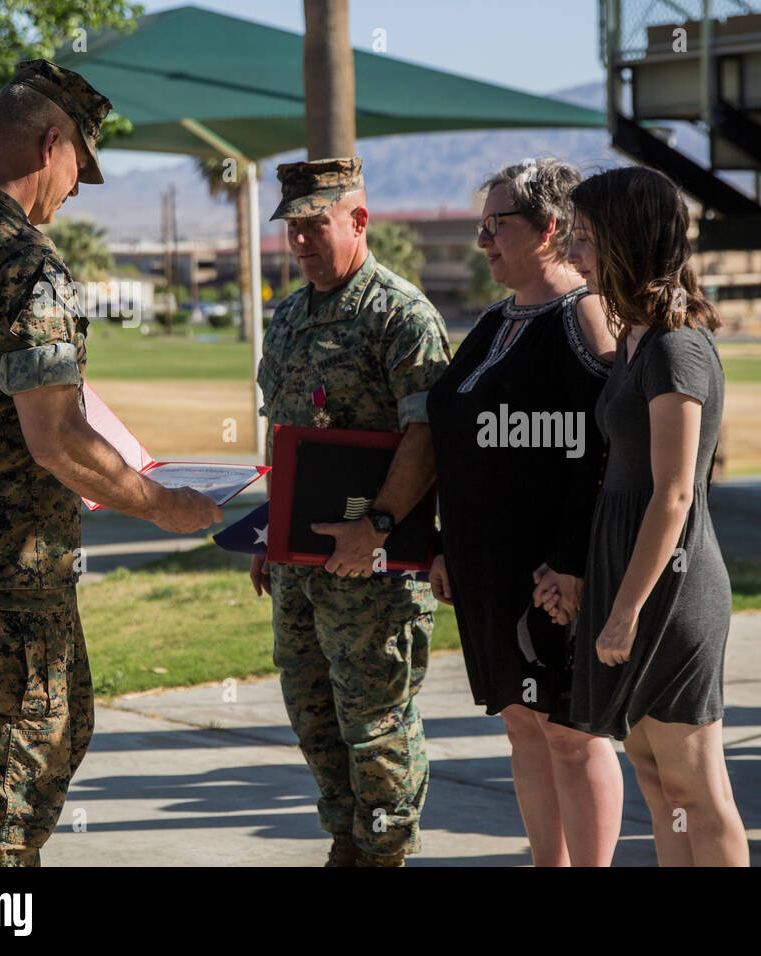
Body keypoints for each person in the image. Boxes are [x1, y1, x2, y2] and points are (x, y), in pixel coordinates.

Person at [0, 59, 222, 866]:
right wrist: (161, 505)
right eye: (81, 166)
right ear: (50, 143)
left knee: (49, 735)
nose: (77, 189)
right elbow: (58, 438)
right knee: (15, 776)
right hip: (13, 554)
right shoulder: (23, 260)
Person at [252, 157, 452, 865]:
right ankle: (348, 842)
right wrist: (266, 532)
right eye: (293, 229)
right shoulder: (288, 316)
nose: (301, 242)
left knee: (375, 725)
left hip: (373, 570)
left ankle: (385, 851)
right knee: (313, 718)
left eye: (316, 226)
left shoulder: (401, 316)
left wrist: (376, 526)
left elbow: (427, 439)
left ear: (359, 220)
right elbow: (287, 435)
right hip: (301, 566)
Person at [426, 158, 621, 866]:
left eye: (496, 225)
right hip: (488, 569)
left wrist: (573, 561)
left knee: (572, 734)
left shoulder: (584, 316)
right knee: (521, 724)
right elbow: (455, 441)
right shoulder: (495, 321)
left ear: (549, 229)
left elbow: (606, 448)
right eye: (480, 226)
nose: (482, 241)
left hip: (551, 575)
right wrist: (444, 542)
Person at [563, 165, 749, 867]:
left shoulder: (675, 347)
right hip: (631, 575)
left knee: (697, 788)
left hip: (670, 587)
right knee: (654, 779)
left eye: (586, 237)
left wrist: (625, 610)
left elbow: (673, 494)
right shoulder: (636, 340)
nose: (576, 253)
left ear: (627, 241)